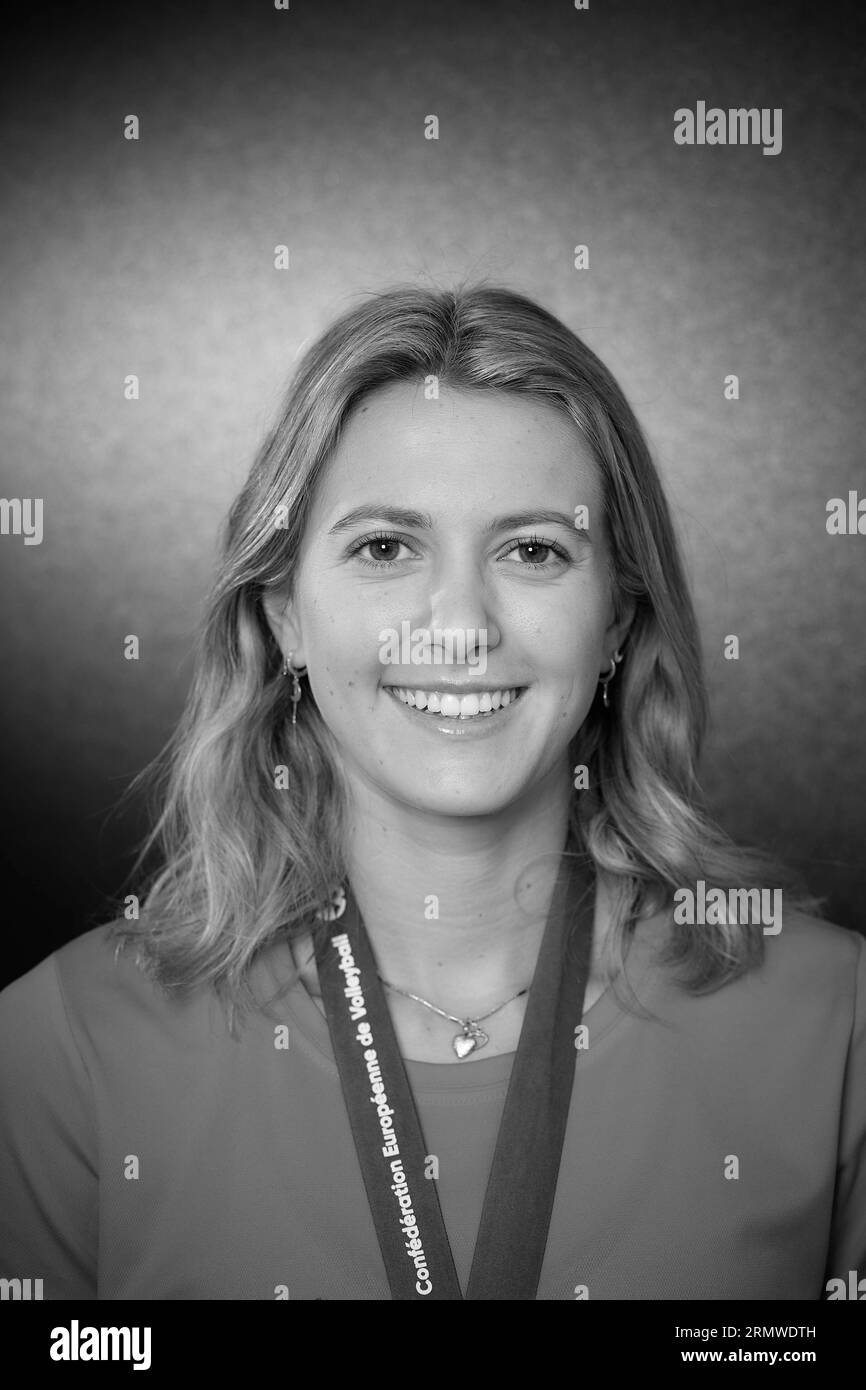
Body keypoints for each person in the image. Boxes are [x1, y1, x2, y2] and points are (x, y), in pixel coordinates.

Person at [0, 283, 863, 1301]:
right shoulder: (62, 1045)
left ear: (617, 623)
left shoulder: (833, 1024)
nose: (456, 626)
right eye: (383, 548)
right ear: (283, 617)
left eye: (533, 550)